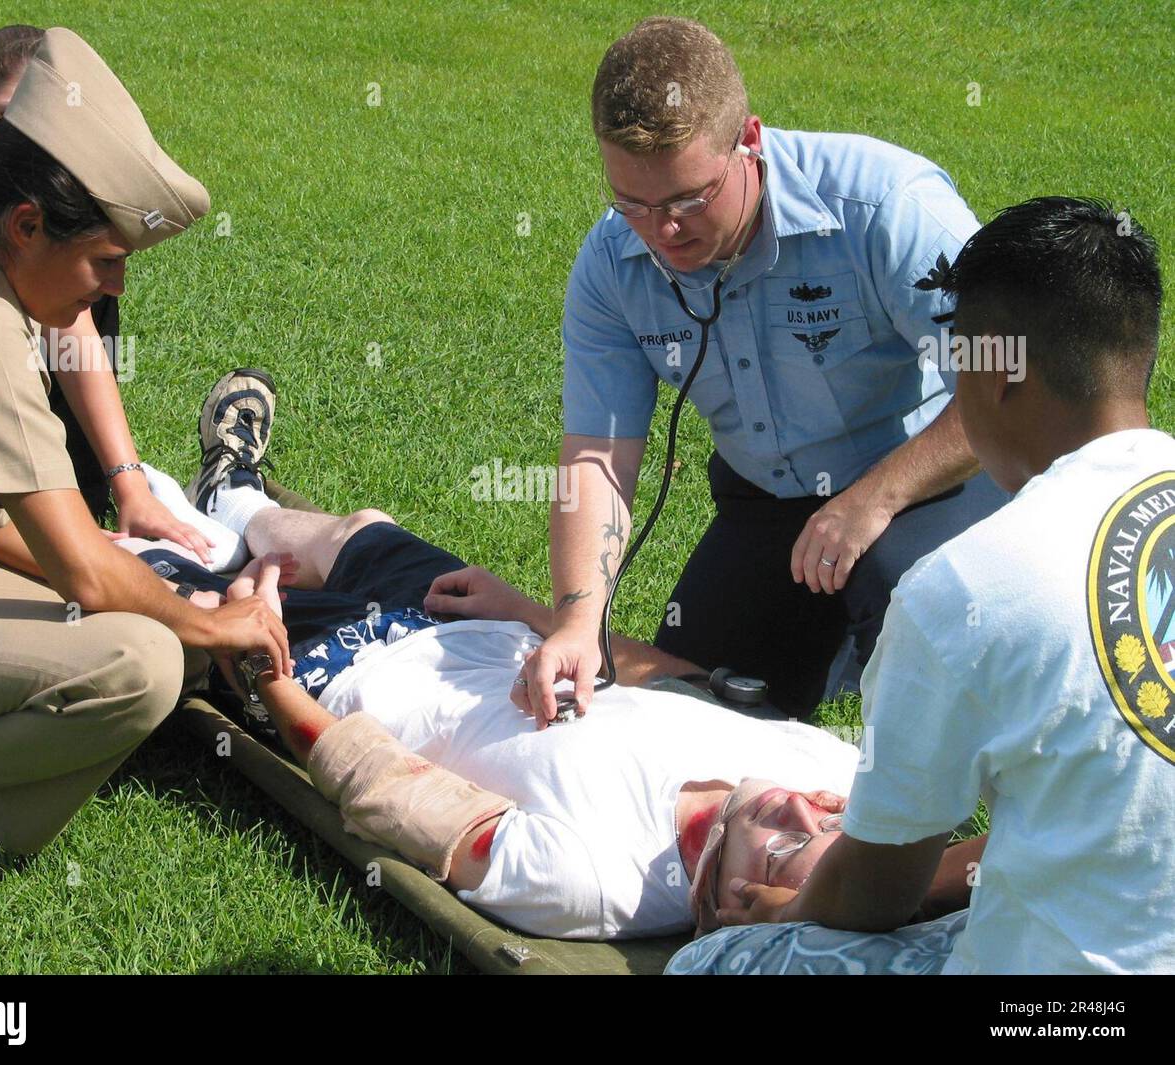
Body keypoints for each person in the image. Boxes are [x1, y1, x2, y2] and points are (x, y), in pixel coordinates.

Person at [101, 383, 982, 941]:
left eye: (789, 848)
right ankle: (236, 495)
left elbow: (389, 791)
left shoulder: (592, 882)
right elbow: (676, 679)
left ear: (733, 909)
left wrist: (267, 676)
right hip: (482, 631)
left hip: (342, 666)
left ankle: (141, 505)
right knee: (356, 531)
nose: (804, 807)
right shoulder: (829, 771)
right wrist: (534, 614)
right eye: (828, 820)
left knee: (157, 570)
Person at [675, 197, 1175, 974]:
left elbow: (876, 892)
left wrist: (788, 909)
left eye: (956, 366)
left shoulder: (967, 587)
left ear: (1002, 374)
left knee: (712, 963)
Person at [521, 16, 1010, 725]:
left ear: (749, 141)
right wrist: (574, 617)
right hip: (769, 499)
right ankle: (835, 645)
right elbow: (598, 454)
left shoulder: (885, 206)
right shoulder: (610, 265)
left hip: (935, 477)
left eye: (690, 198)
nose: (663, 231)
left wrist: (873, 498)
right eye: (633, 203)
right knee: (697, 700)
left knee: (911, 621)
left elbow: (1005, 381)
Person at [0, 29, 289, 854]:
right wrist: (211, 622)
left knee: (155, 621)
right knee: (141, 661)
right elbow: (79, 569)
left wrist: (163, 589)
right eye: (105, 259)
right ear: (26, 225)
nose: (117, 286)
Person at [0, 24, 213, 553]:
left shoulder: (29, 230)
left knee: (83, 284)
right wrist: (82, 554)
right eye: (13, 121)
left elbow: (72, 332)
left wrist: (131, 486)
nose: (30, 149)